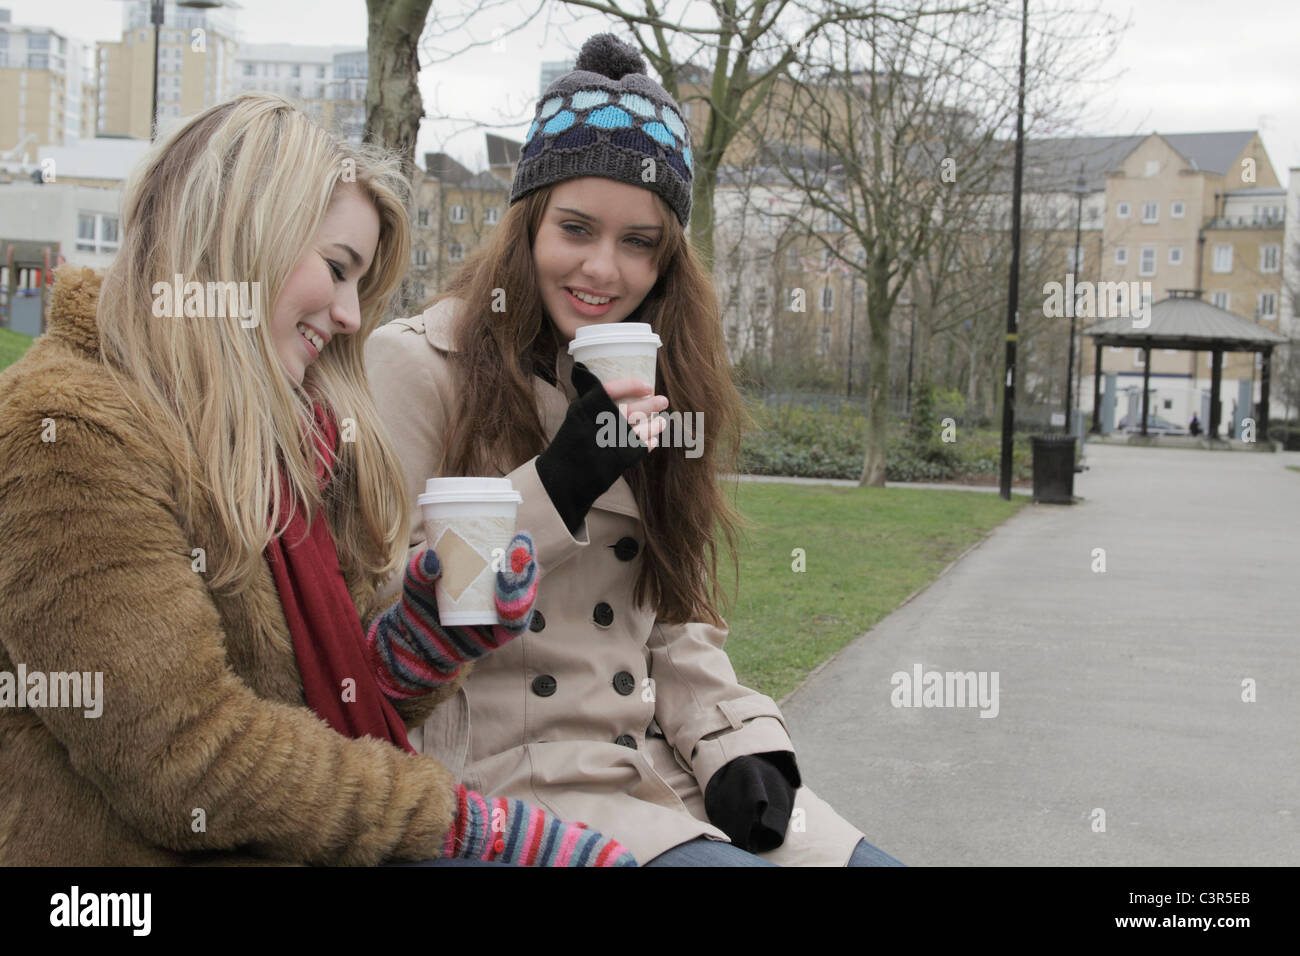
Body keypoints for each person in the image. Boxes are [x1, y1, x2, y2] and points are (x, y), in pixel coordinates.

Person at [0, 94, 633, 867]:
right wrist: (469, 831)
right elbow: (185, 763)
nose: (347, 315)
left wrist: (423, 643)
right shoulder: (64, 430)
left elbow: (331, 702)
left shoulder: (288, 437)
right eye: (337, 271)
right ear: (242, 236)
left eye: (359, 286)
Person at [365, 34, 903, 867]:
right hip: (506, 785)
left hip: (654, 768)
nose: (603, 269)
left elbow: (673, 616)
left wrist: (735, 742)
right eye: (575, 229)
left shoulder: (659, 376)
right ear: (526, 225)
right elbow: (378, 621)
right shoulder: (414, 365)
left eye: (641, 242)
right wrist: (553, 487)